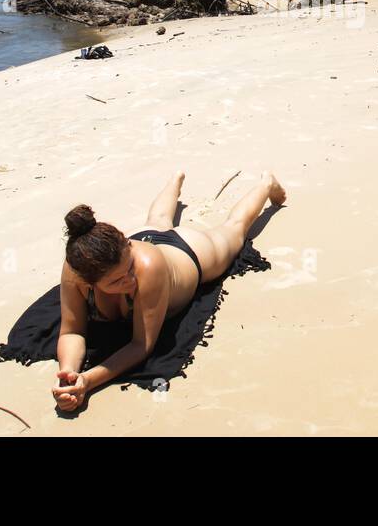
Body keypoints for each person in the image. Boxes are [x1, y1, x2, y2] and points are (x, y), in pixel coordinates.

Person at [52, 170, 286, 412]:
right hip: (143, 245)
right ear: (89, 282)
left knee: (235, 229)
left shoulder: (146, 267)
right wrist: (68, 373)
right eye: (117, 281)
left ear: (127, 244)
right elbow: (71, 330)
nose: (131, 279)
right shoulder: (75, 270)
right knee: (157, 221)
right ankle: (176, 180)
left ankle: (266, 183)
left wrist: (88, 381)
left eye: (130, 267)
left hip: (189, 253)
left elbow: (141, 345)